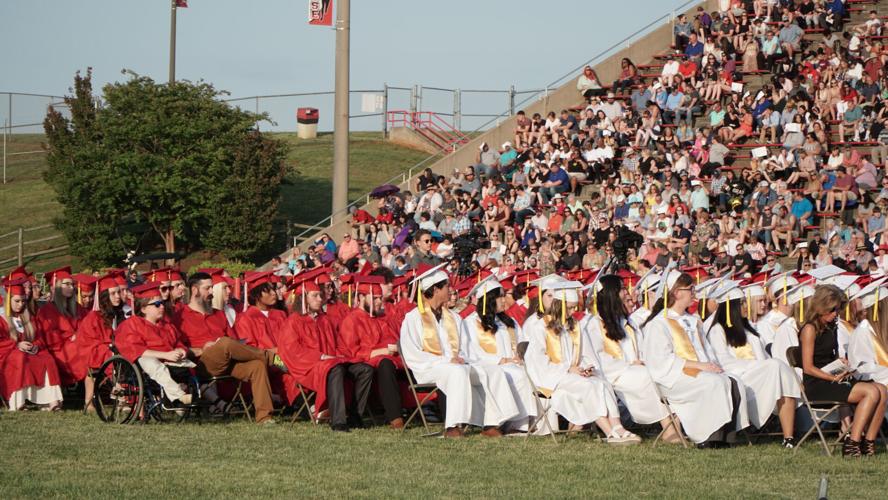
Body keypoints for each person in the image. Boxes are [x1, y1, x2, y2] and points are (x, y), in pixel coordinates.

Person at [400, 264, 521, 437]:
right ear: (435, 289)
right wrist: (447, 360)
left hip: (457, 364)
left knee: (492, 370)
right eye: (447, 286)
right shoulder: (413, 318)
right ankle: (452, 426)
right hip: (428, 368)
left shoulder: (454, 318)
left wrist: (461, 357)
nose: (451, 290)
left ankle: (492, 423)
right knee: (457, 372)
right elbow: (413, 354)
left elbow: (465, 348)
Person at [524, 275, 640, 443]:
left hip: (573, 374)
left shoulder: (574, 326)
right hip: (551, 378)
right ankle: (609, 432)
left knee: (601, 382)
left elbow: (587, 354)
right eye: (569, 308)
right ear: (559, 304)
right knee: (589, 386)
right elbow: (538, 362)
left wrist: (588, 368)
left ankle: (617, 426)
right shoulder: (539, 326)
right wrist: (567, 369)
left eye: (573, 308)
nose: (572, 312)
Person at [641, 270, 747, 447]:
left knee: (733, 381)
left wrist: (712, 365)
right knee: (712, 383)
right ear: (677, 292)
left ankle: (726, 437)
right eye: (691, 289)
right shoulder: (659, 323)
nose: (694, 294)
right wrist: (700, 366)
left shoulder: (692, 320)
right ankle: (707, 437)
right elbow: (661, 360)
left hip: (698, 371)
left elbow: (706, 350)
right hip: (673, 377)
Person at [580, 275, 678, 442]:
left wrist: (642, 360)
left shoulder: (626, 321)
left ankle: (678, 425)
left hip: (634, 369)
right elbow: (594, 358)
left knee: (665, 373)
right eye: (622, 289)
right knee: (647, 377)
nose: (627, 292)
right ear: (612, 294)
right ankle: (668, 428)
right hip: (613, 374)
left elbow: (641, 346)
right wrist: (629, 364)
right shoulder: (591, 323)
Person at [173, 272, 278, 425]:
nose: (211, 292)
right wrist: (202, 349)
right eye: (207, 288)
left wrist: (230, 345)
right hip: (201, 364)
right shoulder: (180, 316)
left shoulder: (218, 314)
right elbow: (179, 348)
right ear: (195, 290)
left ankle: (264, 417)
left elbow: (235, 342)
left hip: (227, 361)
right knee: (224, 343)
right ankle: (272, 357)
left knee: (257, 366)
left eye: (212, 288)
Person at [798, 285, 887, 457]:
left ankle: (868, 442)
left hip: (833, 376)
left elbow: (828, 357)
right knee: (871, 392)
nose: (836, 314)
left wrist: (841, 364)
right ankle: (852, 442)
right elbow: (808, 367)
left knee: (882, 390)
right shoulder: (809, 329)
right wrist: (832, 377)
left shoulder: (831, 326)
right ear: (821, 307)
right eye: (833, 310)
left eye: (838, 309)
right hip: (817, 383)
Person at [706, 286, 800, 447]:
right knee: (775, 367)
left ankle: (788, 438)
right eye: (742, 303)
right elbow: (724, 362)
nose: (746, 306)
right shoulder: (717, 330)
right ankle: (788, 435)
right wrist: (759, 366)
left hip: (761, 374)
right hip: (740, 378)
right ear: (731, 307)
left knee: (778, 371)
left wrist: (763, 366)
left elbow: (764, 356)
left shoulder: (748, 329)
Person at [278, 276, 373, 432]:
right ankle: (338, 422)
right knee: (335, 369)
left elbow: (338, 345)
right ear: (303, 298)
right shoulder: (293, 321)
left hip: (331, 363)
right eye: (314, 296)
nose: (320, 298)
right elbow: (292, 350)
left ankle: (355, 416)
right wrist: (321, 357)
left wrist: (345, 357)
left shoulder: (325, 320)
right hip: (308, 368)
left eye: (320, 295)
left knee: (365, 369)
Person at [462, 276, 536, 432]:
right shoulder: (470, 323)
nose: (504, 300)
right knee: (517, 374)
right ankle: (510, 423)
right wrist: (501, 360)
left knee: (526, 372)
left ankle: (522, 424)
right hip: (489, 367)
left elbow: (523, 341)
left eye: (504, 295)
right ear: (489, 300)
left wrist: (520, 356)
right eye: (500, 296)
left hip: (513, 364)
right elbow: (470, 352)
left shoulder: (508, 321)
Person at [337, 275, 406, 429]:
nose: (379, 302)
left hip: (388, 359)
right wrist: (384, 350)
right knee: (386, 363)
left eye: (380, 298)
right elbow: (353, 352)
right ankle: (396, 418)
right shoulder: (351, 320)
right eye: (374, 298)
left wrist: (393, 348)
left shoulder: (379, 319)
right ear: (361, 297)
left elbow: (391, 339)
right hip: (363, 364)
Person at [114, 280, 194, 406]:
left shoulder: (167, 326)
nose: (162, 306)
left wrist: (181, 350)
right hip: (143, 364)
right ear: (144, 308)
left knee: (192, 365)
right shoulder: (132, 324)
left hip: (170, 361)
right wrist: (165, 355)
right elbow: (135, 350)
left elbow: (178, 343)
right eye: (157, 304)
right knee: (150, 362)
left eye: (161, 303)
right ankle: (179, 395)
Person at [0, 278, 63, 411]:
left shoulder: (28, 317)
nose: (21, 304)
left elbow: (39, 338)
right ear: (8, 300)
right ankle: (18, 402)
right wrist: (16, 345)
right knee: (19, 357)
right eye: (17, 301)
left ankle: (51, 401)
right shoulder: (1, 318)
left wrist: (35, 346)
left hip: (29, 351)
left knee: (47, 358)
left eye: (23, 301)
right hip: (7, 353)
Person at [75, 274, 126, 412]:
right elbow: (89, 341)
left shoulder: (119, 313)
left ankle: (127, 393)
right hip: (91, 350)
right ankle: (118, 391)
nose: (117, 296)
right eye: (113, 293)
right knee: (110, 351)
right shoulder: (94, 317)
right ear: (104, 297)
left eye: (118, 292)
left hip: (109, 348)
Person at [34, 267, 87, 386]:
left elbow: (86, 325)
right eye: (66, 284)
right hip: (60, 352)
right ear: (56, 286)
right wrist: (72, 338)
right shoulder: (46, 311)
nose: (71, 287)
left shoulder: (77, 307)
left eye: (72, 284)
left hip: (77, 345)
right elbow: (50, 340)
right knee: (86, 352)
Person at [233, 272, 288, 350]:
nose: (273, 293)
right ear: (256, 295)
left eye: (273, 289)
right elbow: (249, 350)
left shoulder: (280, 314)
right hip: (264, 360)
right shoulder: (245, 319)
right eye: (268, 291)